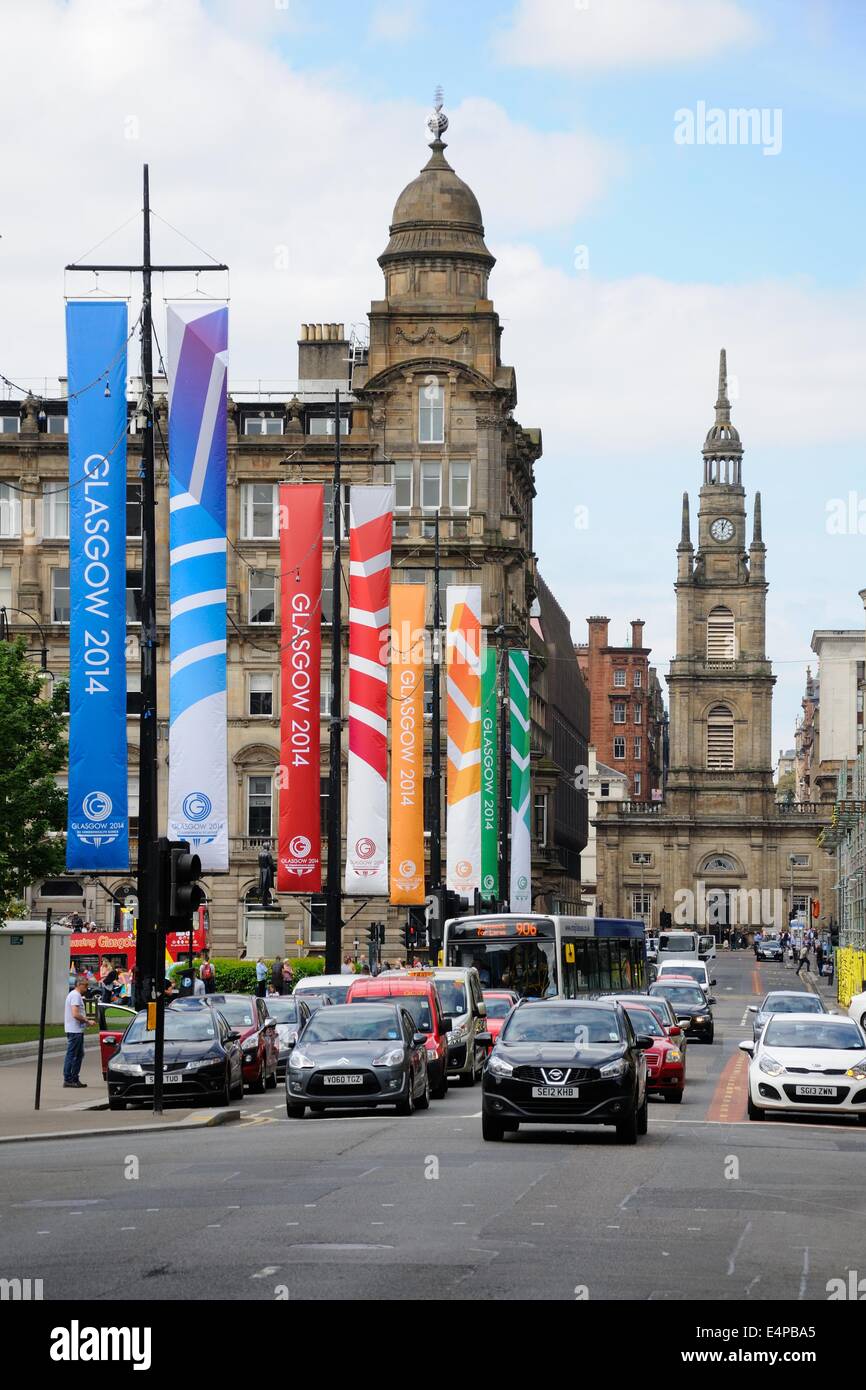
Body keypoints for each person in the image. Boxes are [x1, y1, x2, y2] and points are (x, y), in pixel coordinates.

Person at [63, 977, 90, 1088]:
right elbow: (75, 1014)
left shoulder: (75, 995)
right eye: (85, 985)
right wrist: (87, 1020)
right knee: (73, 1055)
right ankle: (69, 1078)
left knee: (78, 1055)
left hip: (75, 1030)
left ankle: (74, 1078)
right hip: (75, 1031)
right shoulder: (75, 995)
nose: (87, 988)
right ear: (79, 984)